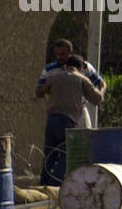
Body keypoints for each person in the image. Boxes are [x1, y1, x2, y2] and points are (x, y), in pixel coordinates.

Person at [39, 55, 104, 186]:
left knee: (49, 154)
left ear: (66, 65)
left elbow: (40, 91)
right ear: (80, 68)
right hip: (67, 120)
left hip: (51, 119)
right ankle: (55, 184)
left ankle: (43, 185)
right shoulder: (81, 79)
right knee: (66, 154)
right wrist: (102, 88)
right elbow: (97, 99)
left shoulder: (53, 76)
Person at [36, 39, 105, 105]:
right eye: (57, 54)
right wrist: (51, 85)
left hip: (80, 107)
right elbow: (38, 92)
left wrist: (100, 95)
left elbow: (101, 83)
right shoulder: (49, 70)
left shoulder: (84, 66)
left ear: (70, 52)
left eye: (62, 54)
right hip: (59, 108)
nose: (59, 57)